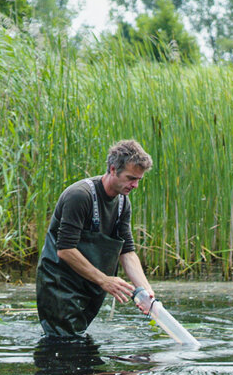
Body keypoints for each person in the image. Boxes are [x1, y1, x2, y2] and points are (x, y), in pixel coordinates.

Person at [36, 140, 155, 337]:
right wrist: (105, 280)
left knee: (77, 342)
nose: (135, 185)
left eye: (139, 180)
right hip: (59, 286)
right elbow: (65, 249)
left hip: (90, 287)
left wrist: (147, 292)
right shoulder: (80, 196)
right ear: (113, 169)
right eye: (131, 178)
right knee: (64, 345)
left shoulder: (123, 203)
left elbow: (127, 251)